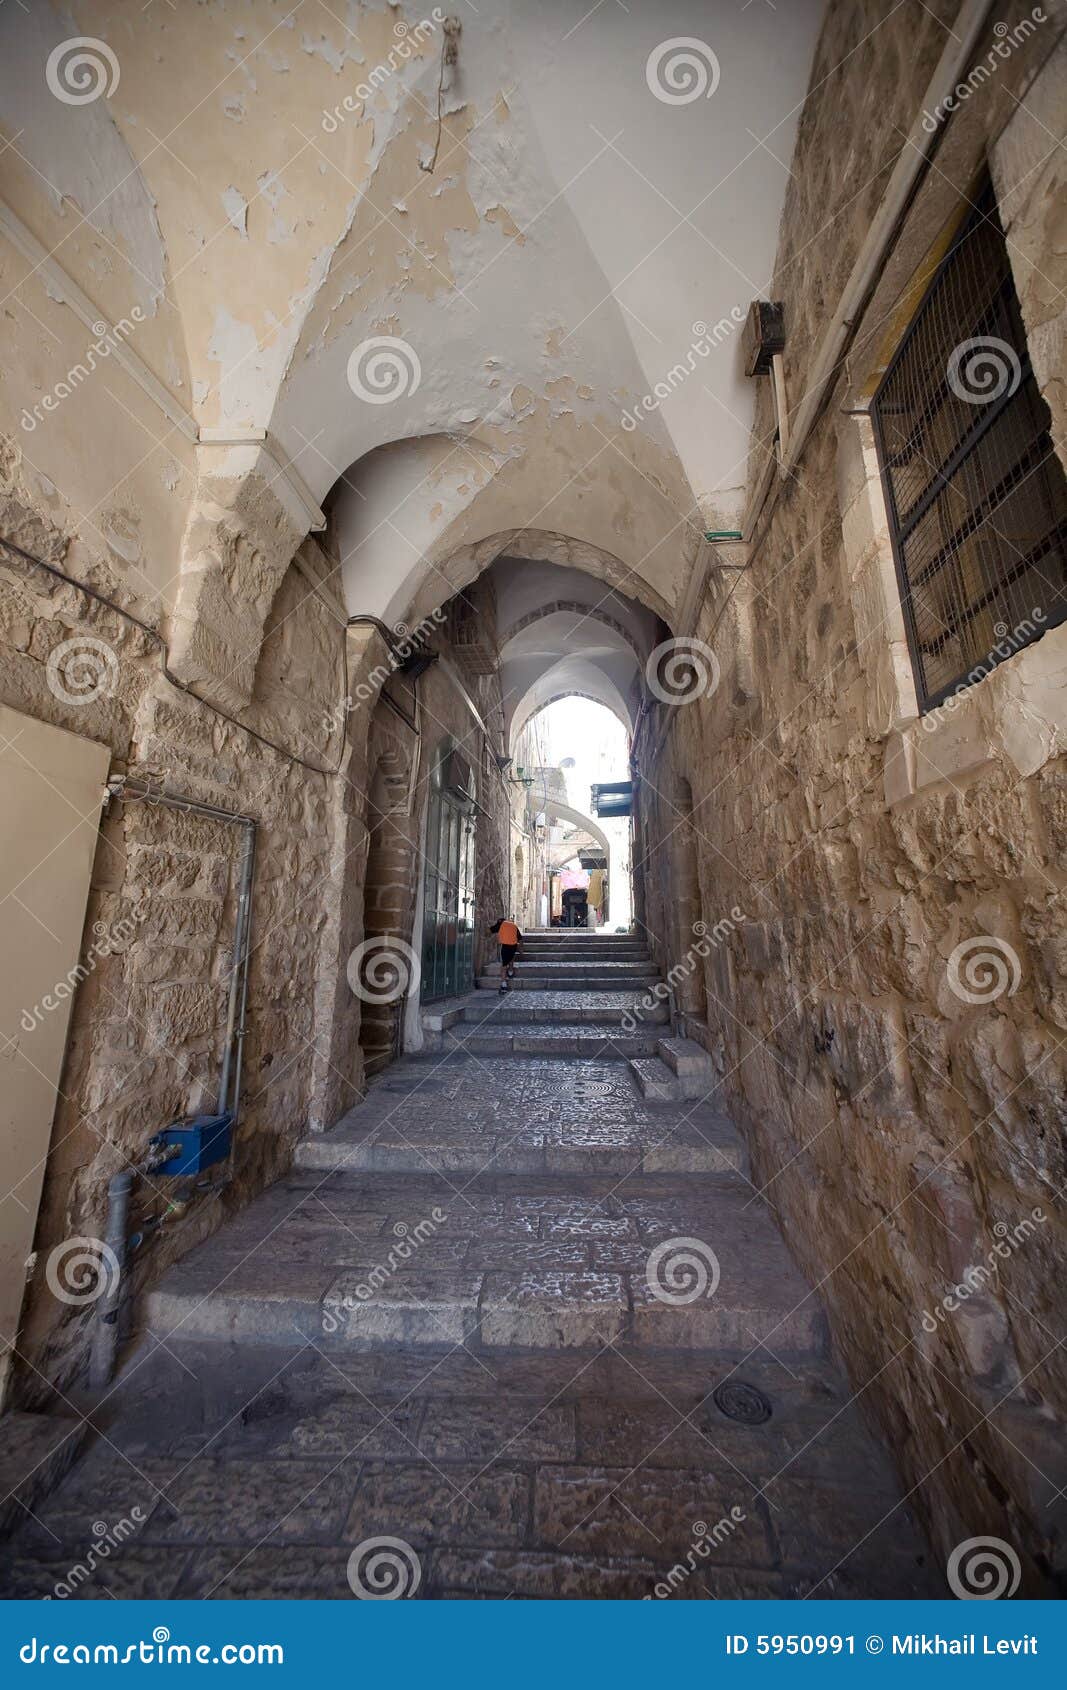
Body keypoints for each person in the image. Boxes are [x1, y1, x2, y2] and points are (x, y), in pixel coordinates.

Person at [488, 916, 520, 991]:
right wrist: (521, 949)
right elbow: (520, 938)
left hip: (505, 946)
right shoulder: (513, 925)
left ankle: (503, 984)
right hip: (513, 945)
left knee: (504, 965)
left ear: (500, 921)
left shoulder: (501, 924)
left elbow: (491, 930)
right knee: (511, 958)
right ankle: (511, 972)